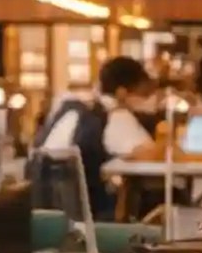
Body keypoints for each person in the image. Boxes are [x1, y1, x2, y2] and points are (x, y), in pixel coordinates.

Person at [29, 56, 161, 220]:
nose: (150, 100)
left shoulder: (68, 107)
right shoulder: (115, 115)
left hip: (45, 215)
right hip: (91, 221)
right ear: (122, 92)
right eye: (144, 94)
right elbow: (150, 153)